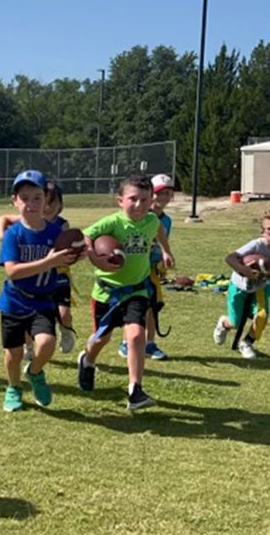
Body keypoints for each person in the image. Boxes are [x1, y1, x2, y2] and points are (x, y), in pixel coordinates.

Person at [76, 174, 174, 411]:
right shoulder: (112, 222)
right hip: (107, 293)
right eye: (133, 199)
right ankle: (87, 360)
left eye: (144, 199)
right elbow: (85, 236)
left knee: (136, 335)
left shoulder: (151, 220)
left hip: (136, 290)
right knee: (102, 338)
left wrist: (166, 251)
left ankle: (135, 389)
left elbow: (159, 229)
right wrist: (96, 260)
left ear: (151, 200)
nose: (138, 205)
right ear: (120, 200)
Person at [0, 171, 77, 412]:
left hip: (43, 301)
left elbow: (64, 260)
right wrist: (48, 262)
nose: (31, 204)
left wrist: (77, 255)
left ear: (46, 200)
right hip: (14, 301)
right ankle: (13, 387)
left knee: (47, 343)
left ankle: (35, 371)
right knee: (13, 353)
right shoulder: (14, 234)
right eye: (25, 198)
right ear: (15, 201)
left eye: (37, 198)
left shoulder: (55, 233)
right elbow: (12, 272)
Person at [213, 209, 270, 359]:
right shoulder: (256, 245)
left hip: (260, 288)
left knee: (262, 316)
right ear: (262, 231)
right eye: (269, 229)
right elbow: (230, 258)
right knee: (235, 321)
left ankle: (247, 343)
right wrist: (244, 270)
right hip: (239, 285)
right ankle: (223, 324)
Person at [118, 173, 174, 361]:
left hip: (152, 268)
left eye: (168, 194)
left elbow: (162, 241)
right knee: (134, 304)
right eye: (160, 193)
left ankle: (149, 343)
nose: (163, 198)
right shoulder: (141, 216)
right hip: (135, 268)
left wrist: (164, 257)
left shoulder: (165, 220)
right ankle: (127, 342)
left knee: (152, 305)